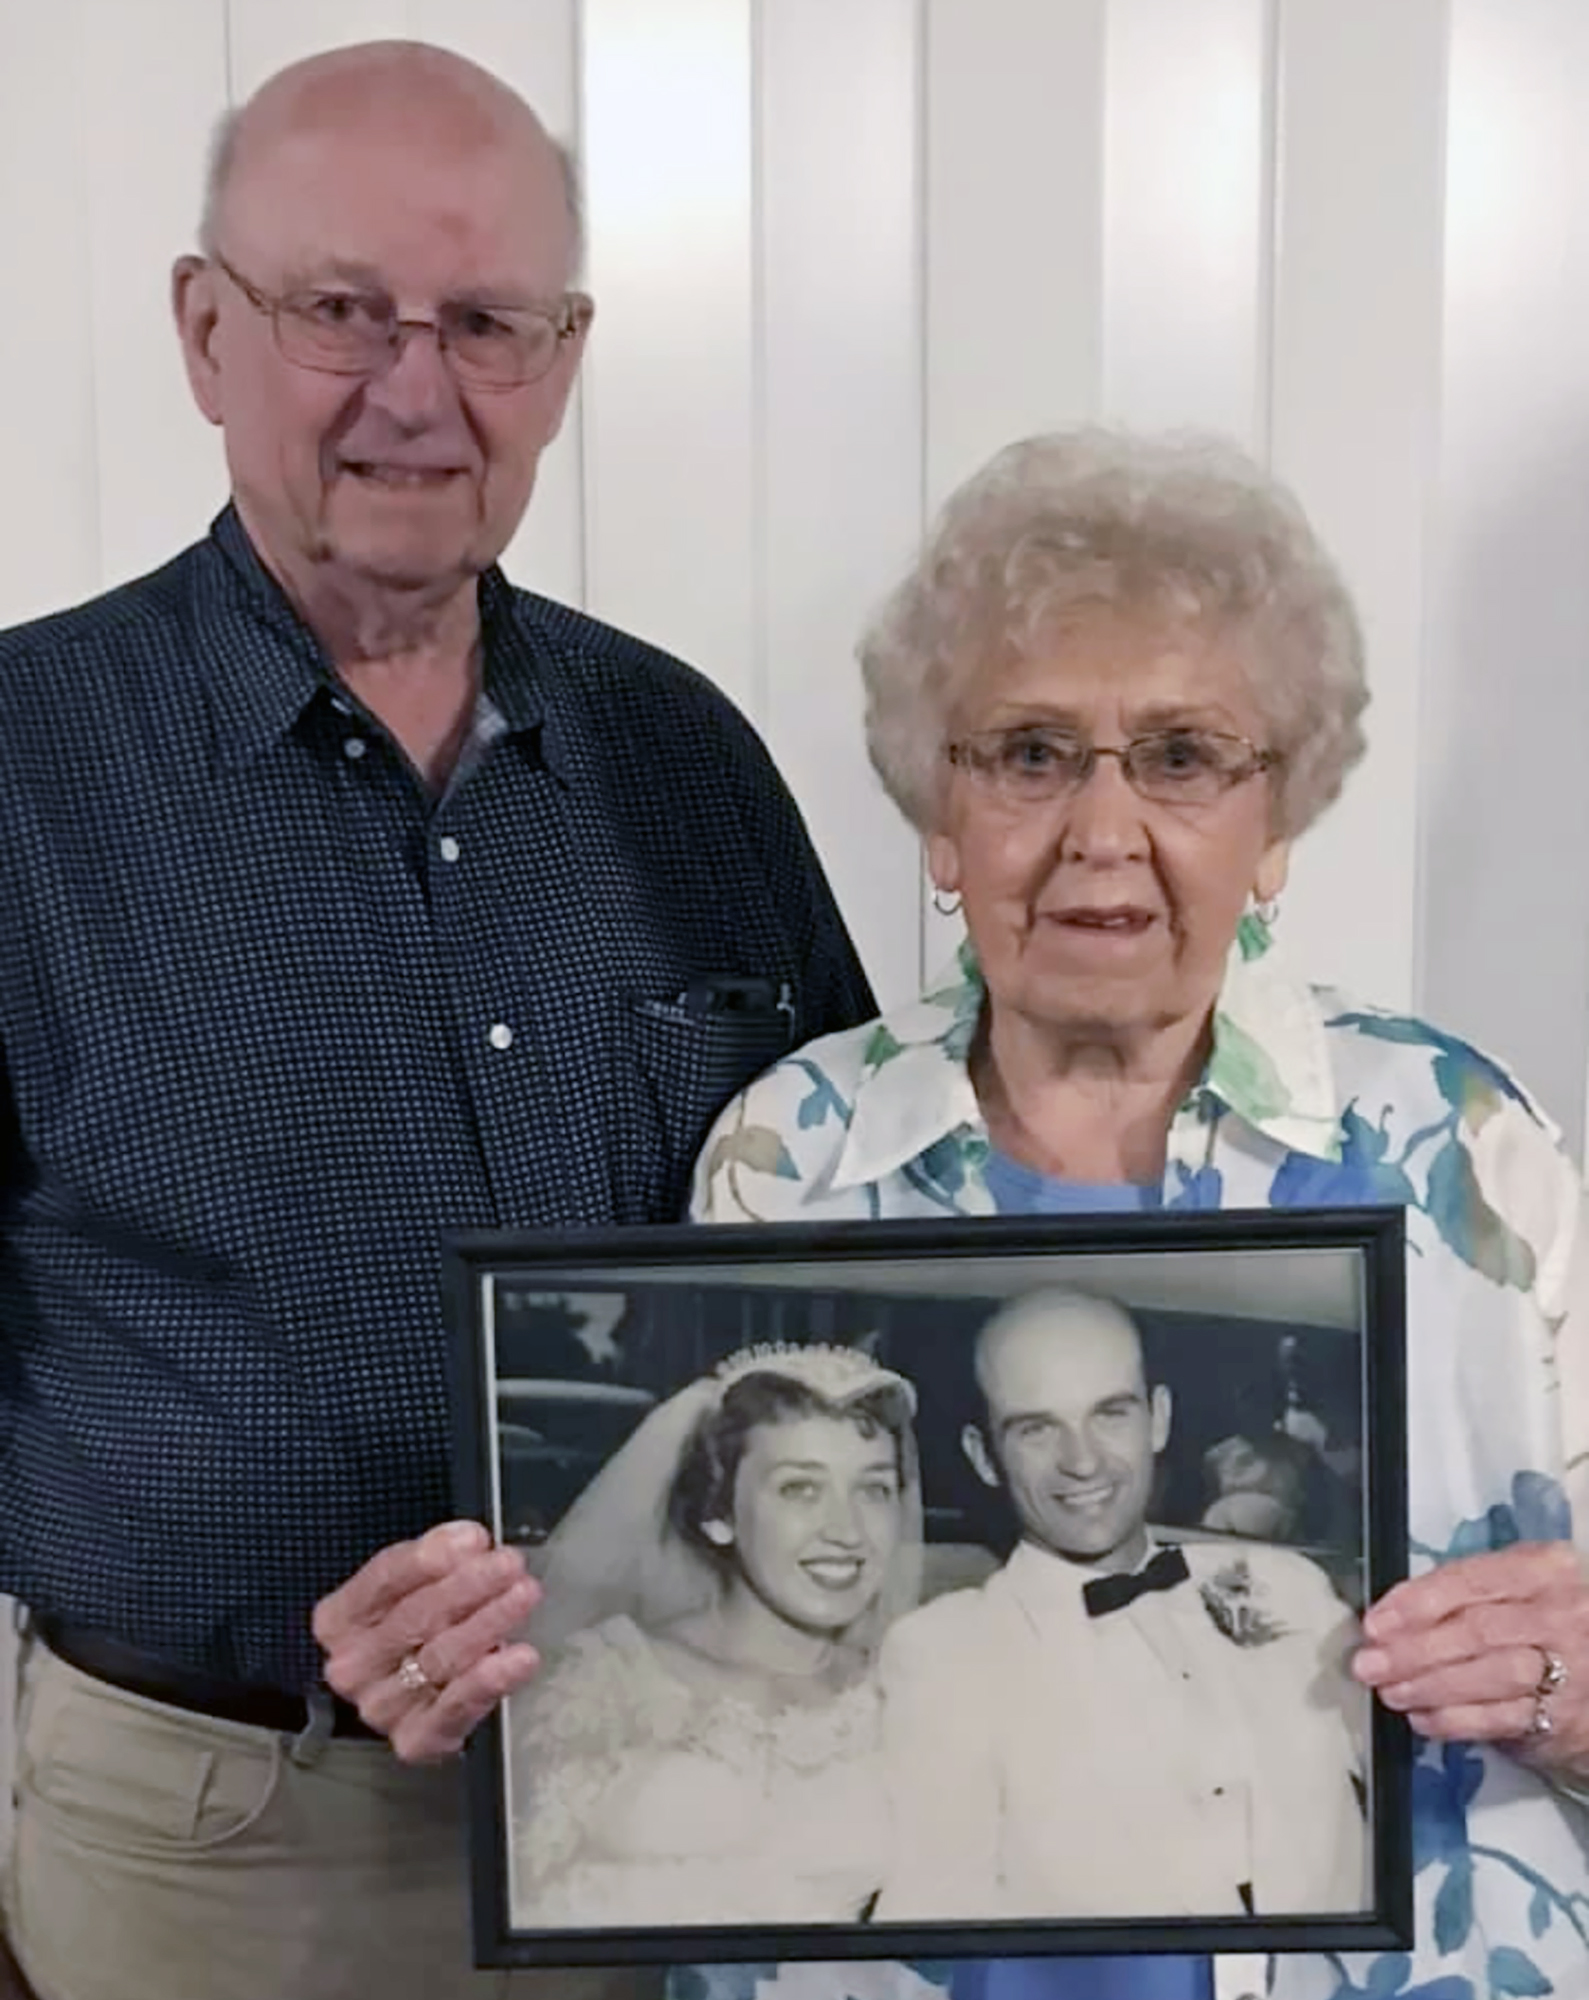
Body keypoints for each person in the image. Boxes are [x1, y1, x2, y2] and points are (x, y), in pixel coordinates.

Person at [0, 38, 871, 2000]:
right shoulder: (23, 765)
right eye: (339, 312)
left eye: (484, 321)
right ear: (201, 331)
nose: (416, 389)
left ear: (560, 358)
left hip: (675, 1793)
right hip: (227, 1843)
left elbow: (836, 1258)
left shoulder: (685, 763)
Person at [679, 428, 1589, 1999]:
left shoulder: (1464, 1143)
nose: (1104, 832)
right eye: (1030, 754)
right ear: (939, 822)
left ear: (1277, 818)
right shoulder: (787, 1151)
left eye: (1180, 756)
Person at [875, 1287, 1365, 1921]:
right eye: (1036, 1429)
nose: (1082, 1461)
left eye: (1111, 1414)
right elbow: (932, 1918)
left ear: (1158, 1418)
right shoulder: (945, 1652)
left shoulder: (1282, 1583)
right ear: (984, 1457)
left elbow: (1426, 1788)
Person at [508, 1344, 921, 1928]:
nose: (846, 1531)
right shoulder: (610, 1677)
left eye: (873, 1489)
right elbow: (520, 1906)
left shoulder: (905, 1687)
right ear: (717, 1512)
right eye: (800, 1488)